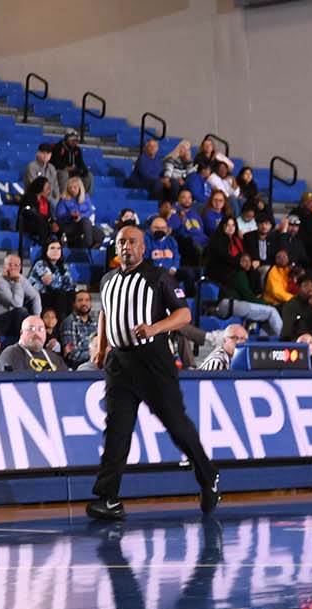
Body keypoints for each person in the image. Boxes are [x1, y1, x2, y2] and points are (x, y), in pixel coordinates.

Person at [90, 222, 221, 523]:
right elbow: (106, 312)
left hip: (152, 360)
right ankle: (108, 498)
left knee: (175, 423)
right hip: (119, 362)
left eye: (132, 242)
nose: (126, 247)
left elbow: (184, 314)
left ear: (143, 247)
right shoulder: (108, 279)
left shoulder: (158, 277)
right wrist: (100, 347)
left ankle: (208, 475)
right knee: (116, 429)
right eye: (121, 242)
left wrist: (154, 328)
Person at [0, 253, 41, 337]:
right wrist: (16, 282)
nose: (13, 268)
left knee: (28, 306)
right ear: (4, 266)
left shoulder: (21, 278)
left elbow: (35, 296)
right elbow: (17, 304)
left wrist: (36, 318)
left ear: (20, 267)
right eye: (10, 265)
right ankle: (22, 341)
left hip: (10, 318)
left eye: (17, 265)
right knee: (21, 311)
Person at [58, 288, 101, 369]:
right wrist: (95, 354)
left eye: (87, 300)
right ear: (74, 304)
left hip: (97, 363)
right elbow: (72, 355)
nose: (84, 303)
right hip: (78, 368)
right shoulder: (69, 322)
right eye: (80, 300)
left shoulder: (95, 322)